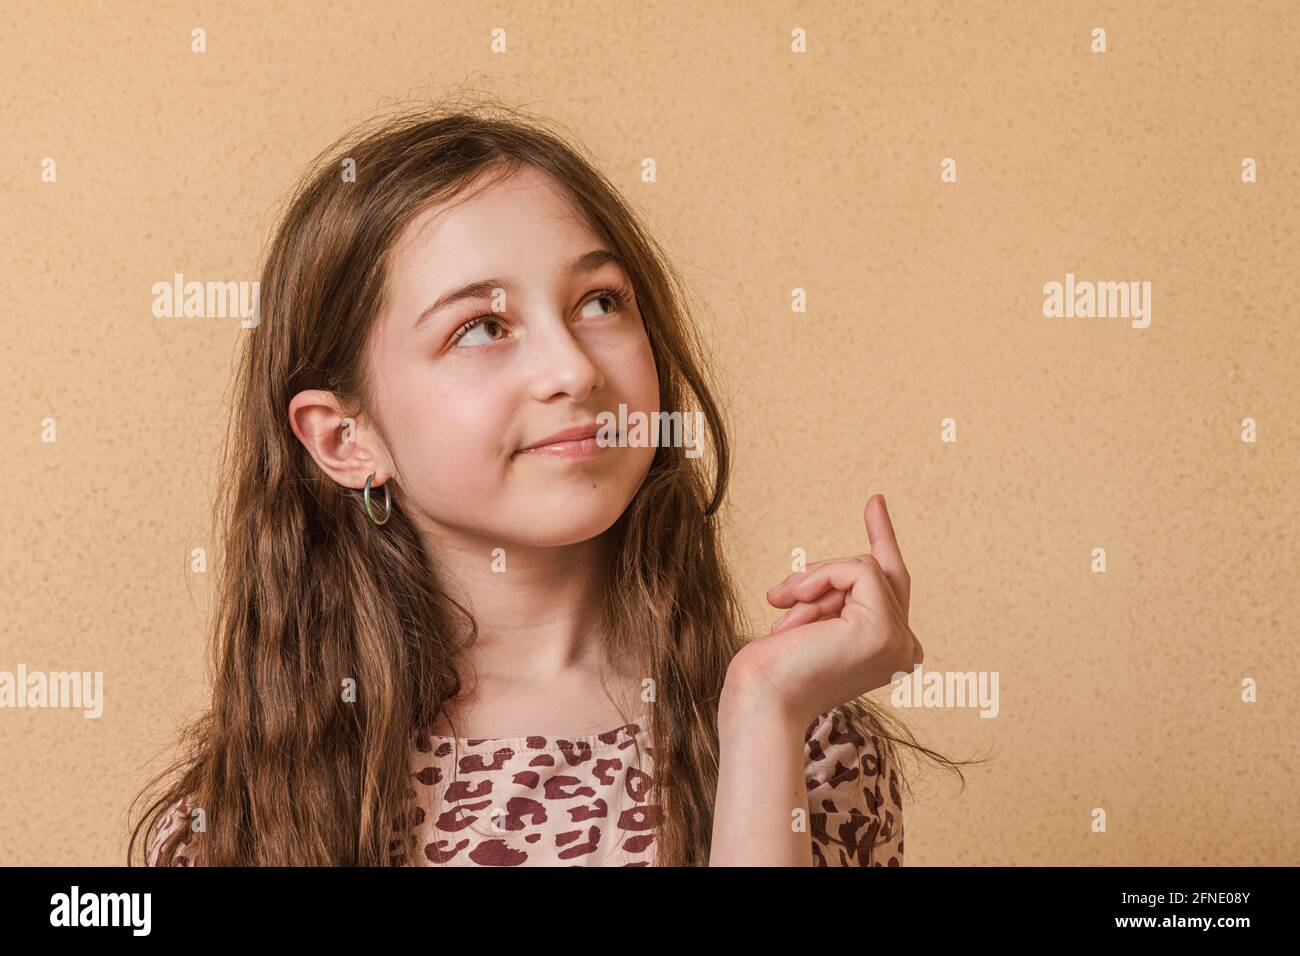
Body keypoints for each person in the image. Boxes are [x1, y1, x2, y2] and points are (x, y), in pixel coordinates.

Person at [133, 99, 963, 867]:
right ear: (346, 439)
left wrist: (763, 711)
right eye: (482, 327)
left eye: (600, 303)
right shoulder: (238, 820)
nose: (572, 368)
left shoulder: (810, 744)